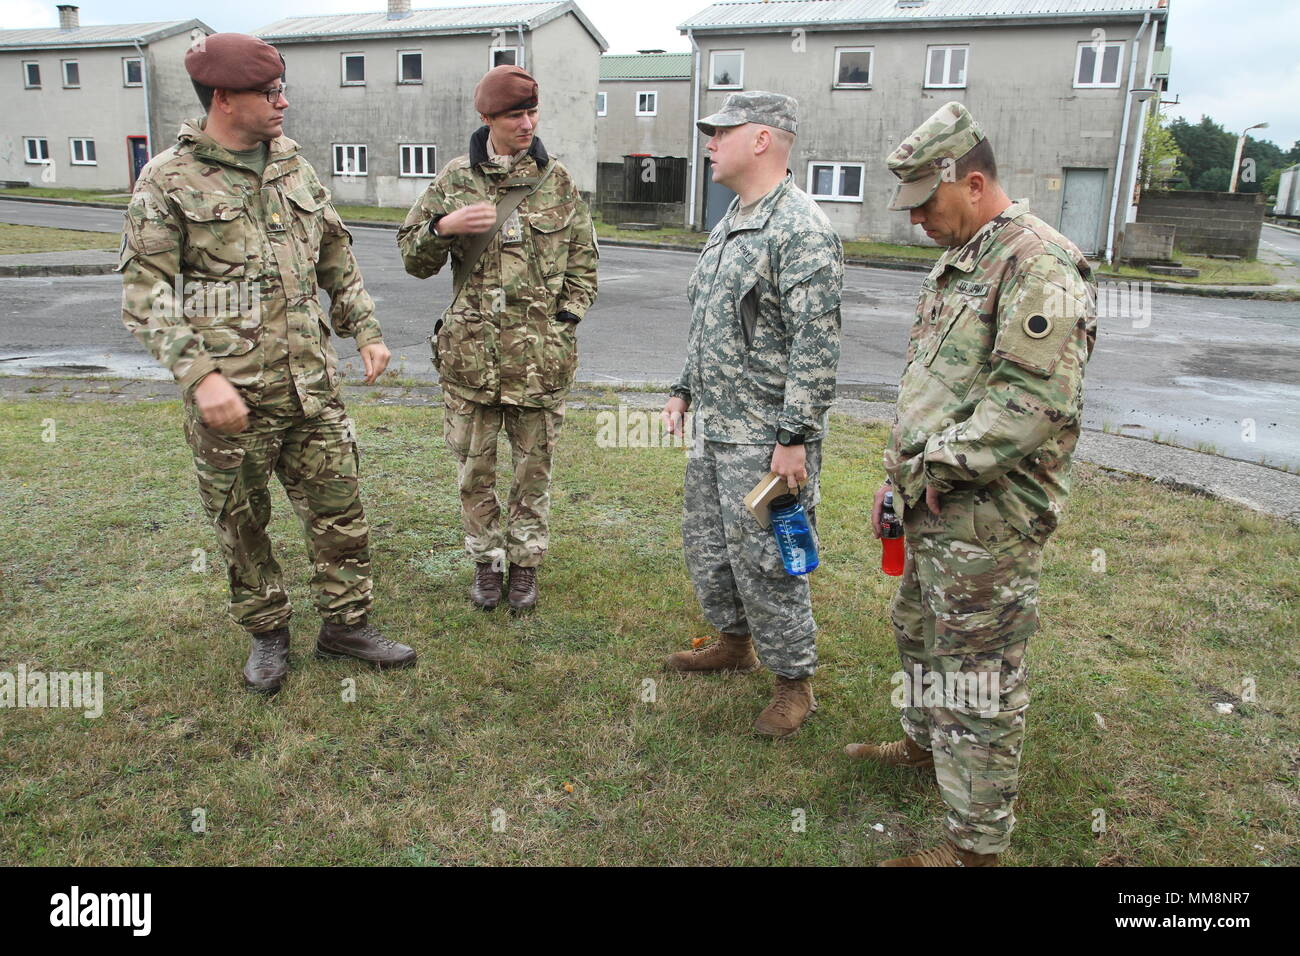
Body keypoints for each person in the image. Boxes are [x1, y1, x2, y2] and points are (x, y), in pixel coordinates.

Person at [119, 33, 415, 694]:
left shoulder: (293, 166)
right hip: (233, 402)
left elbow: (336, 251)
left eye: (281, 88)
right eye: (269, 91)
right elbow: (147, 298)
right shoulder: (167, 180)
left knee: (342, 513)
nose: (284, 101)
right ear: (224, 98)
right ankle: (268, 635)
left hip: (312, 387)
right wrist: (203, 378)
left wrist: (363, 328)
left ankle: (346, 625)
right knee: (243, 525)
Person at [847, 101, 1097, 865]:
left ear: (976, 181)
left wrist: (926, 470)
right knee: (918, 634)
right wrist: (900, 478)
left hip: (986, 522)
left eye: (927, 202)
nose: (917, 218)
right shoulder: (964, 255)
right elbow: (936, 385)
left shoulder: (1038, 265)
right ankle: (925, 750)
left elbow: (1026, 408)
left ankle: (974, 850)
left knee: (977, 687)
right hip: (933, 507)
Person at [660, 91, 843, 738]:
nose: (709, 141)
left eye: (722, 132)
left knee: (771, 561)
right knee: (710, 550)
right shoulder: (733, 218)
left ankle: (795, 683)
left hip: (767, 442)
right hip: (716, 428)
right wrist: (683, 388)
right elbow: (708, 316)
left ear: (761, 139)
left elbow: (817, 346)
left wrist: (793, 438)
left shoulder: (800, 228)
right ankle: (733, 643)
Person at [397, 65, 598, 613]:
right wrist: (444, 229)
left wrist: (564, 323)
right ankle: (486, 563)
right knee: (475, 471)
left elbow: (584, 264)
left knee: (533, 470)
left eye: (533, 112)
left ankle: (526, 564)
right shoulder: (454, 181)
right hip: (470, 362)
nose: (527, 123)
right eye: (515, 115)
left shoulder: (557, 181)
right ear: (487, 118)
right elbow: (412, 259)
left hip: (540, 364)